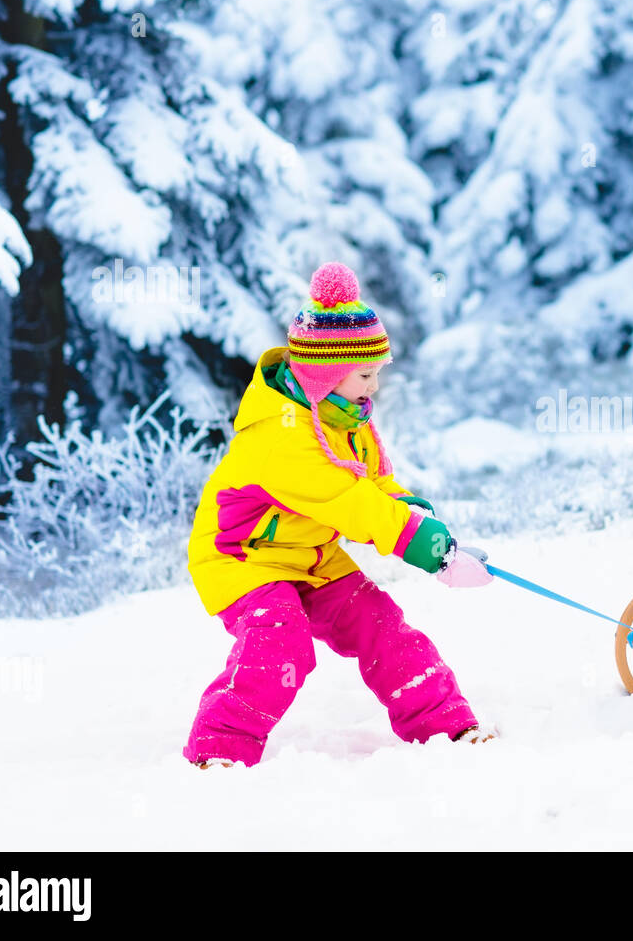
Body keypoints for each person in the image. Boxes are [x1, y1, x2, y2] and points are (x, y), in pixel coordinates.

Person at [182, 262, 493, 768]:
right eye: (366, 375)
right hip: (242, 560)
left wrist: (430, 529)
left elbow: (374, 486)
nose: (375, 386)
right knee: (280, 643)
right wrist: (430, 551)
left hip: (311, 555)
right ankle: (219, 750)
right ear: (325, 375)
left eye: (377, 372)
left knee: (382, 626)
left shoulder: (343, 417)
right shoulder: (281, 438)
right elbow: (353, 505)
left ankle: (448, 729)